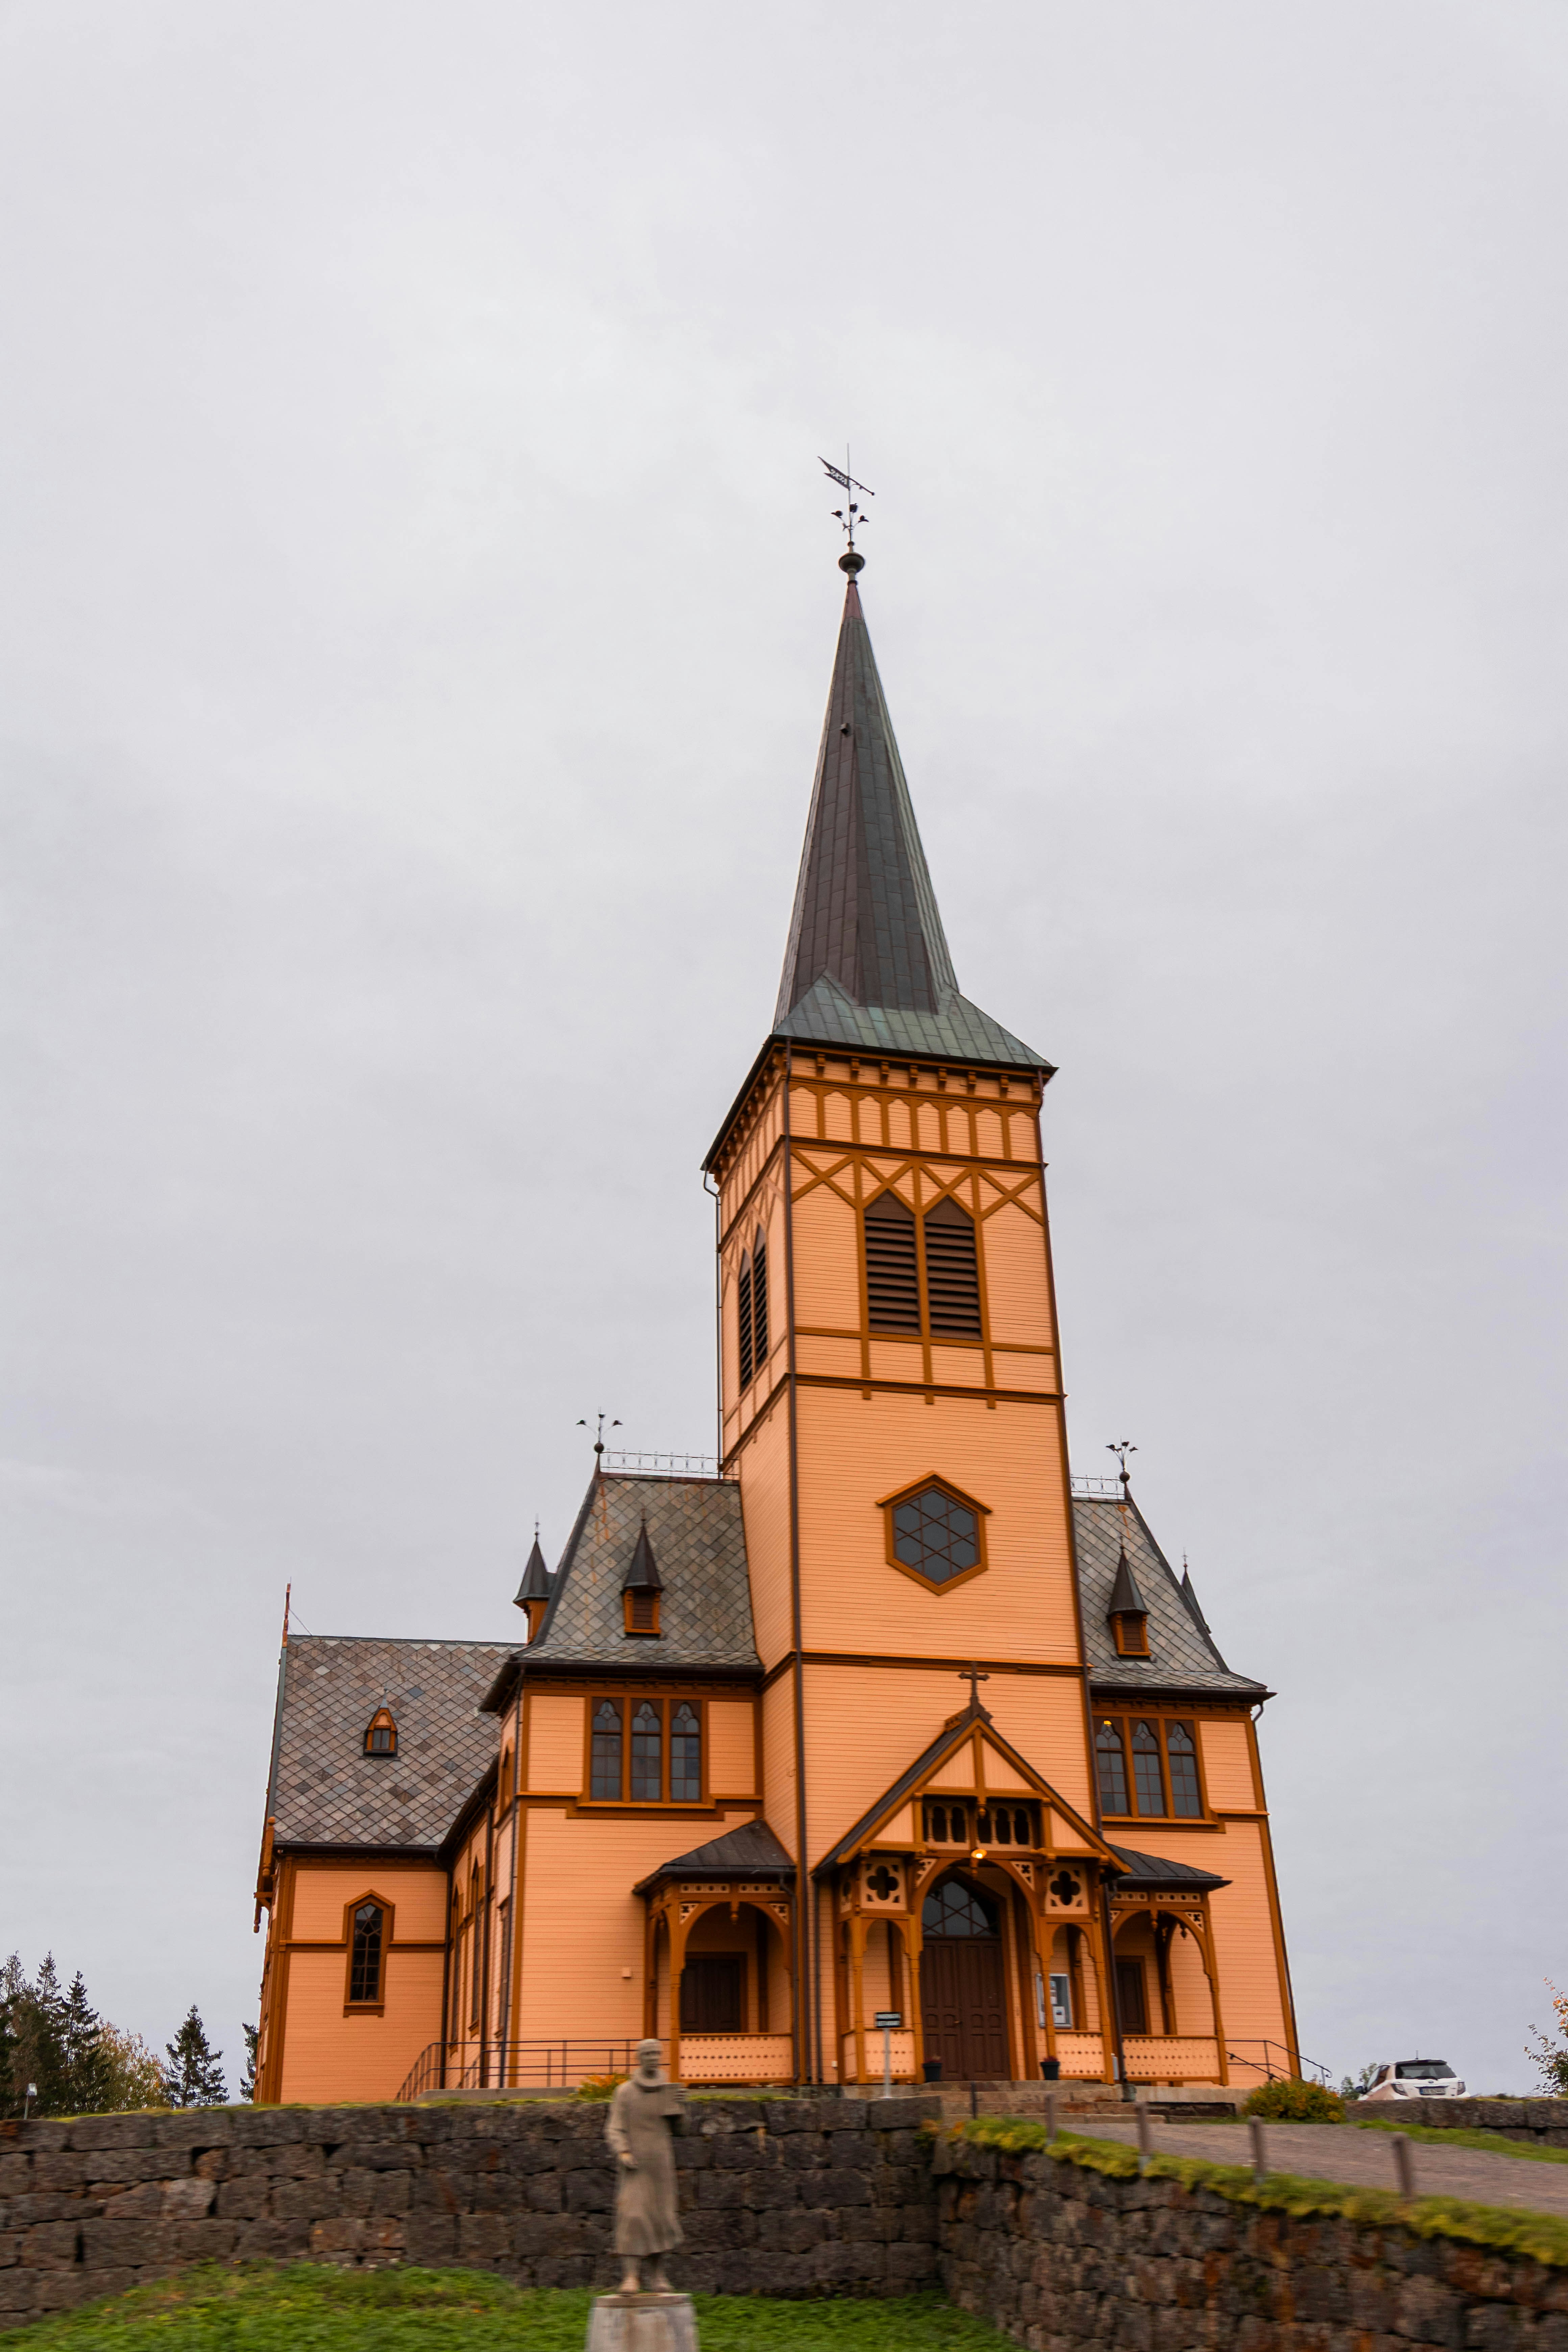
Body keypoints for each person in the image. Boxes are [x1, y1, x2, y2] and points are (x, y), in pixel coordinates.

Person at [606, 2040, 686, 2295]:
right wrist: (623, 2150)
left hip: (661, 2165)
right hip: (636, 2166)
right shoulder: (626, 2092)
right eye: (648, 2053)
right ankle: (631, 2277)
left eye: (656, 2053)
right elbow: (614, 2127)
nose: (653, 2057)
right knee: (633, 2217)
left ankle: (658, 2277)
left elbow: (682, 2131)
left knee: (661, 2219)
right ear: (639, 2057)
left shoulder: (668, 2091)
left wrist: (683, 2110)